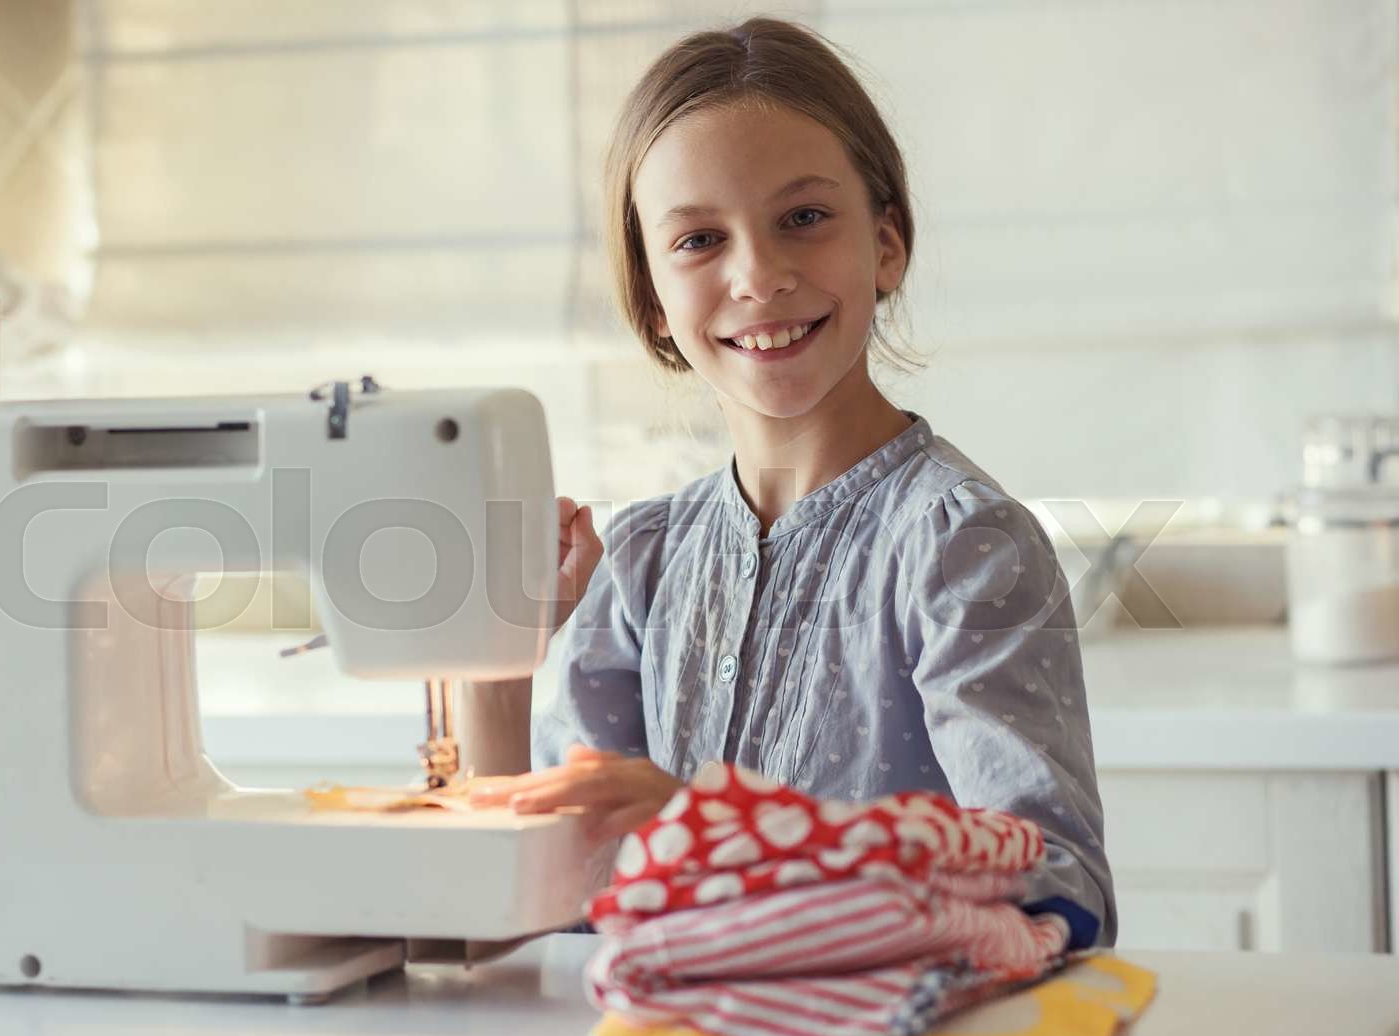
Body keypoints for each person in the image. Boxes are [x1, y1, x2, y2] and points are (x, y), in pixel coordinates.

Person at [463, 16, 1114, 949]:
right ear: (651, 296)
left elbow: (1057, 891)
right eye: (697, 240)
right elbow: (536, 918)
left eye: (803, 219)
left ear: (885, 247)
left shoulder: (962, 548)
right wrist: (498, 666)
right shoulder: (639, 564)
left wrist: (714, 830)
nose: (759, 275)